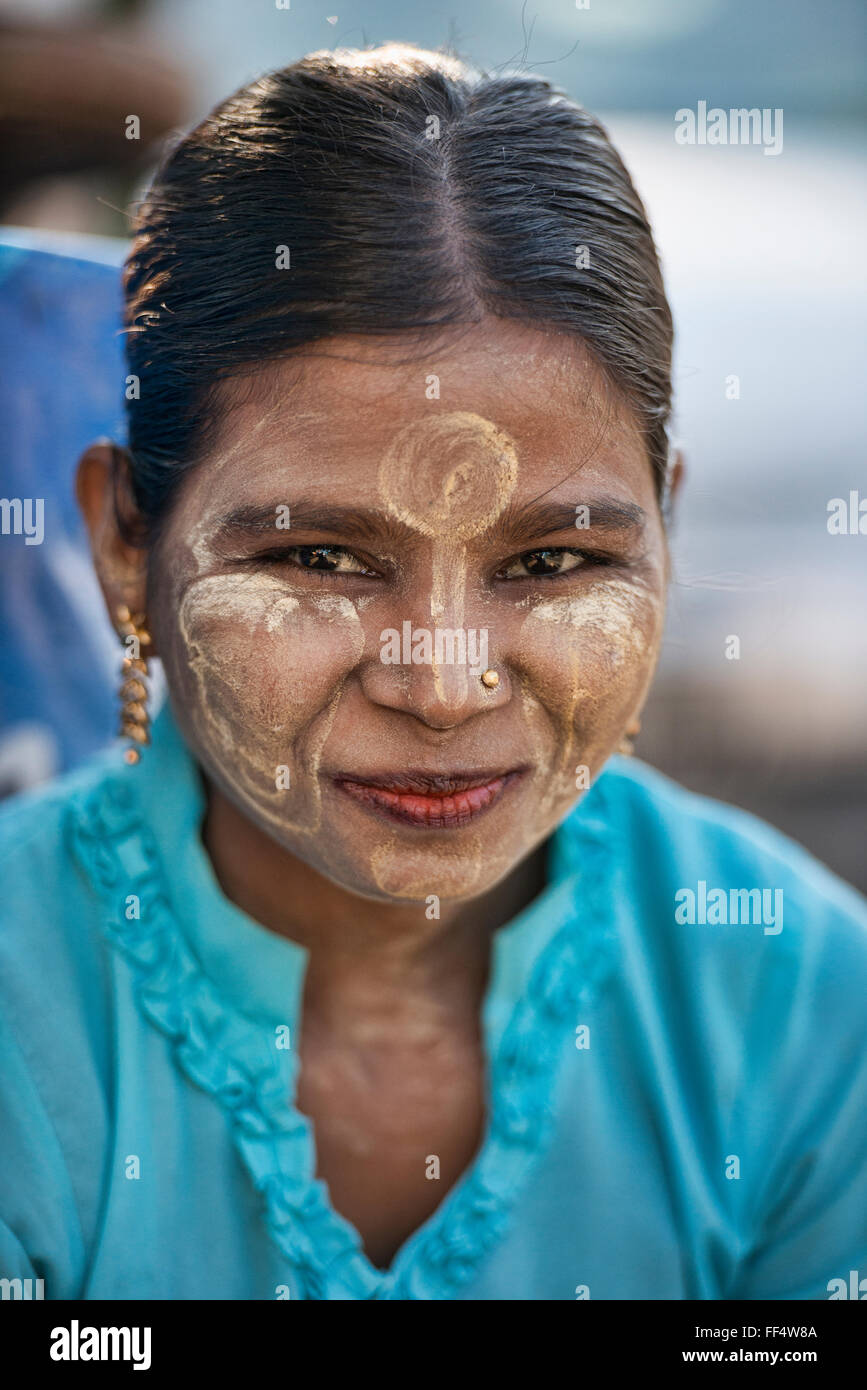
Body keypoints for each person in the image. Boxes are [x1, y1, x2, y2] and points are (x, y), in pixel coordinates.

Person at [1, 42, 865, 1301]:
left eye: (555, 560)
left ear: (667, 533)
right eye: (323, 554)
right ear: (127, 544)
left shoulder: (802, 1007)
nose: (443, 685)